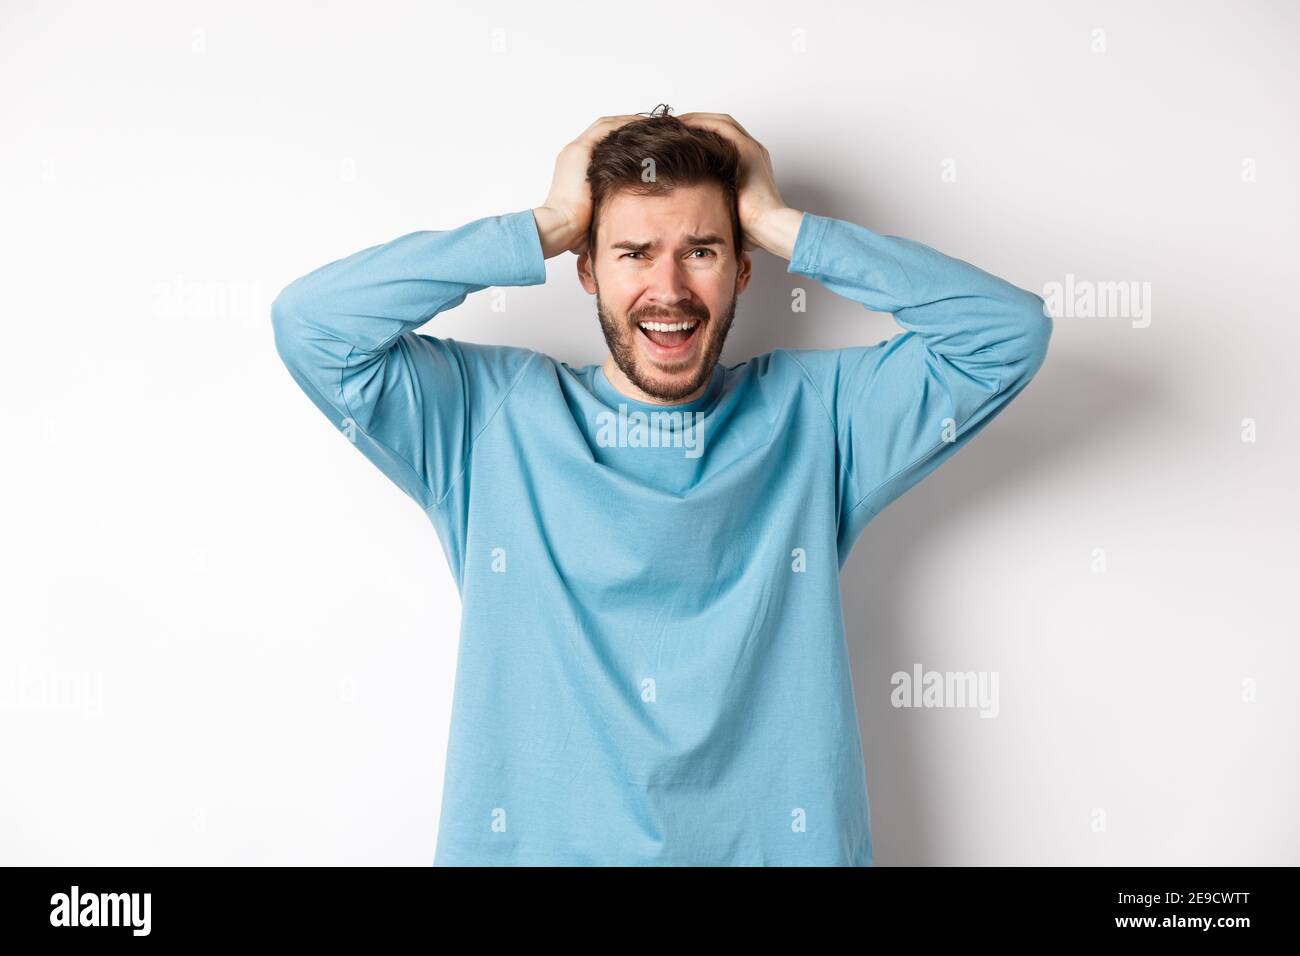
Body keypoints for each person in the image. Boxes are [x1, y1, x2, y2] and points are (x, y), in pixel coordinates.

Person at [271, 105, 1052, 866]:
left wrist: (784, 224)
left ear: (746, 268)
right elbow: (314, 324)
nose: (669, 289)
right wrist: (542, 223)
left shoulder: (819, 418)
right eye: (635, 252)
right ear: (586, 268)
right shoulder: (486, 420)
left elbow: (1008, 335)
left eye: (704, 250)